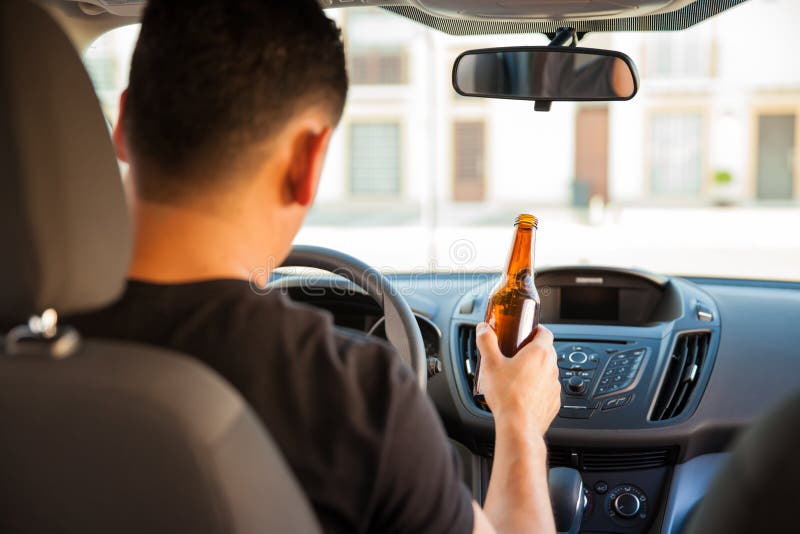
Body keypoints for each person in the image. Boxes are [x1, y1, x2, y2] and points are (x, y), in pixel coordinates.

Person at [68, 1, 562, 532]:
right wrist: (519, 418)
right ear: (308, 161)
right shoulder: (354, 399)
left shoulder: (25, 342)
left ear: (123, 123)